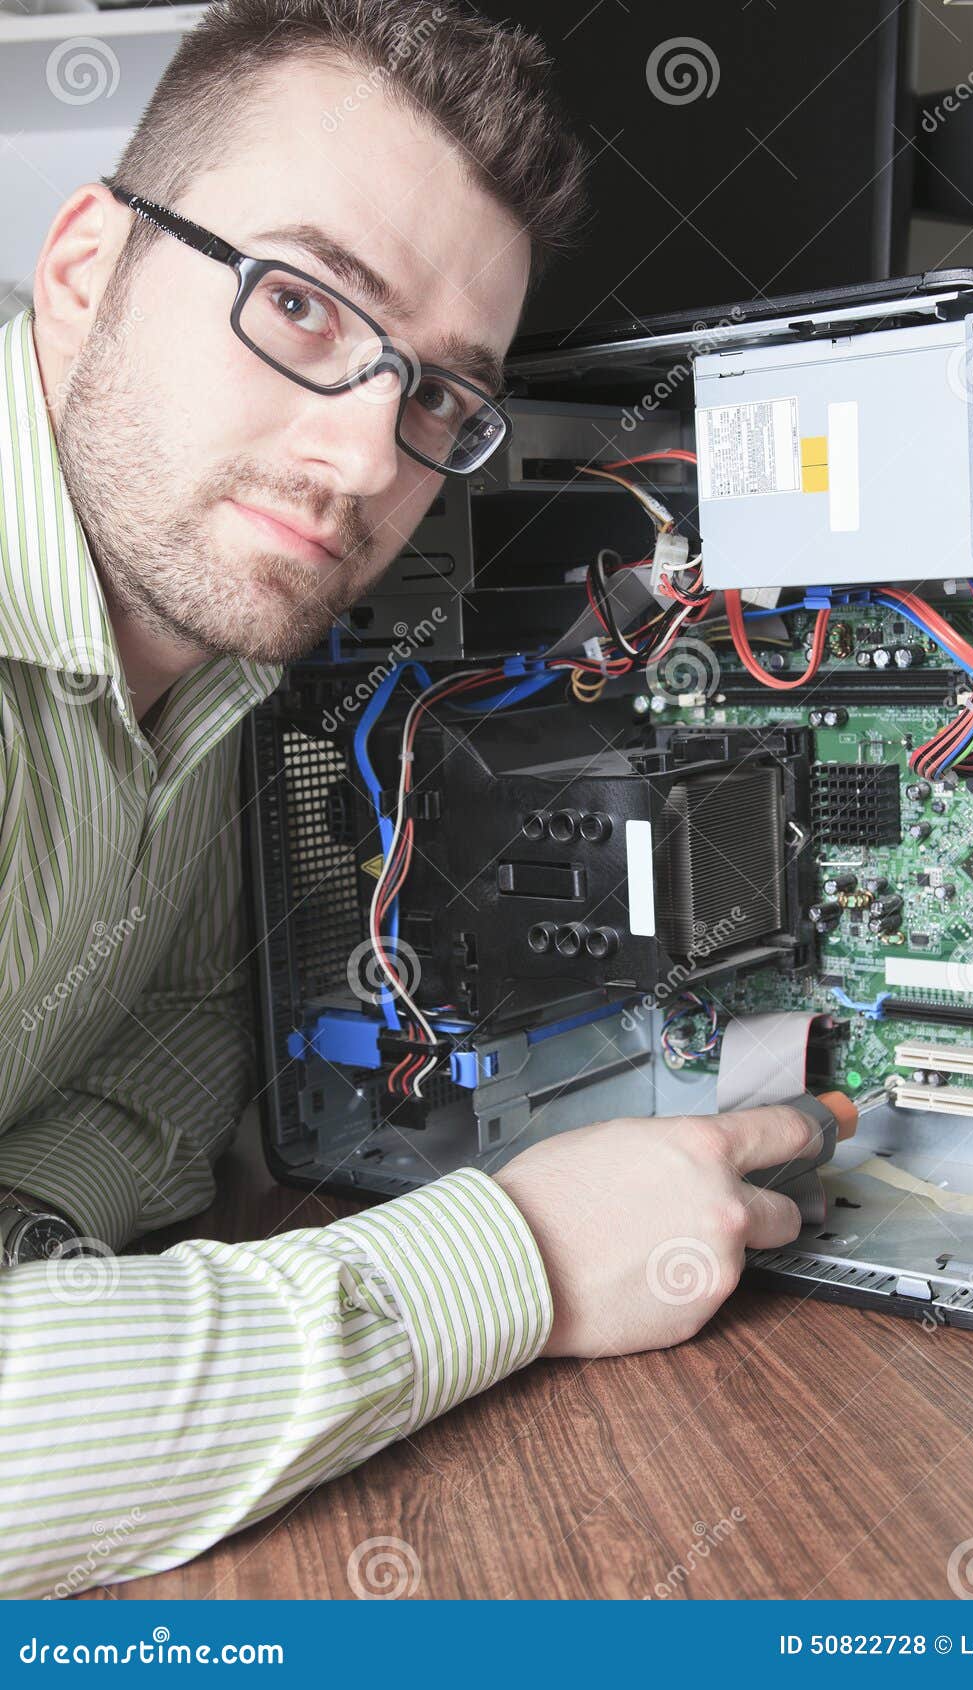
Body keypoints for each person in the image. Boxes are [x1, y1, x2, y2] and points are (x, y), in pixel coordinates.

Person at [0, 0, 804, 1598]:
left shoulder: (226, 677)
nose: (371, 455)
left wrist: (34, 1224)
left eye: (441, 395)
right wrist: (520, 1258)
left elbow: (178, 1026)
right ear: (87, 267)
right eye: (299, 303)